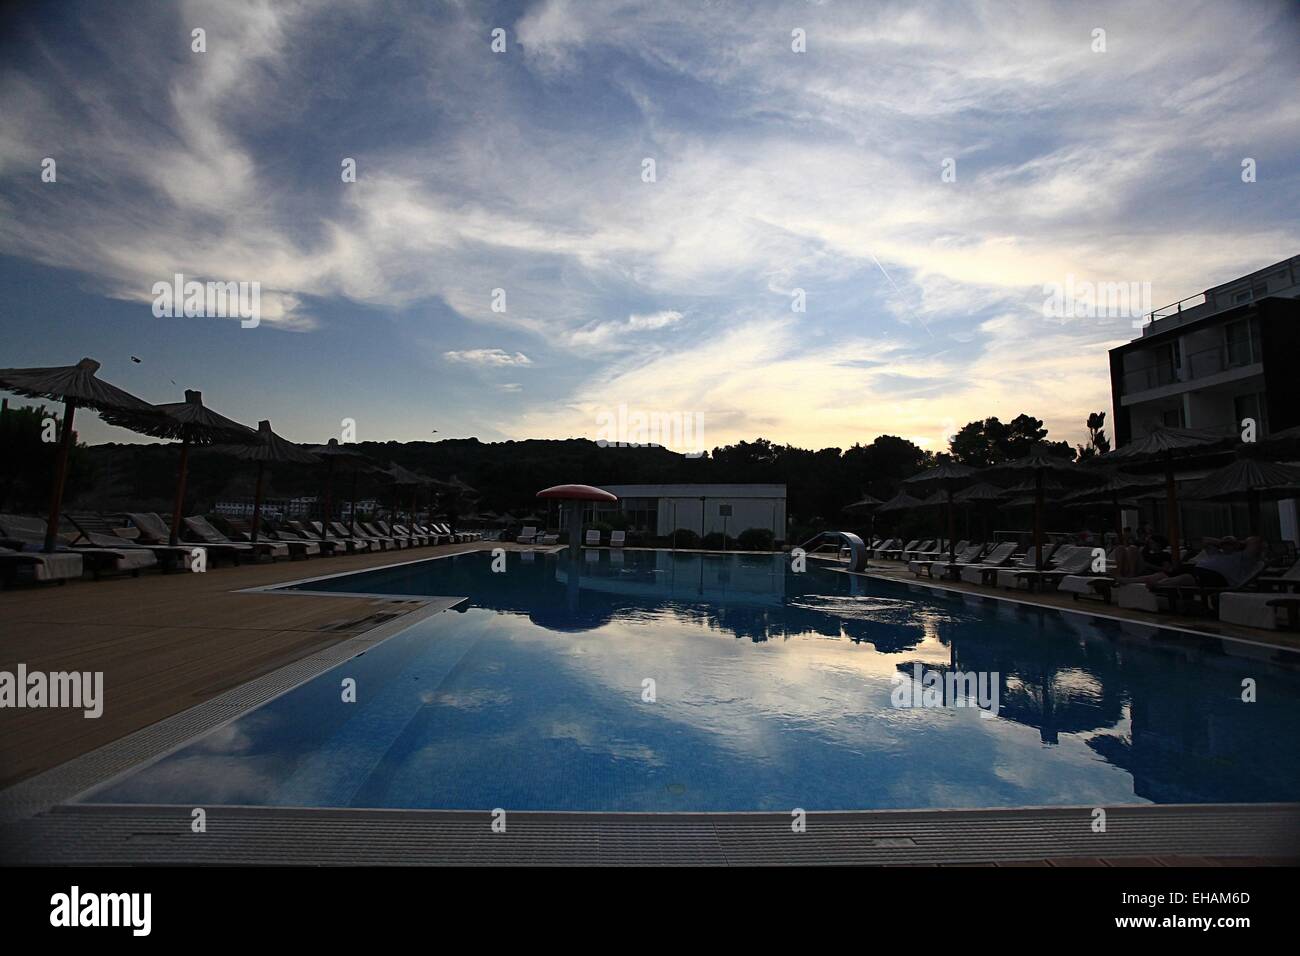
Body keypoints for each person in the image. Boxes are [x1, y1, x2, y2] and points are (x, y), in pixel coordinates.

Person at [1126, 536, 1264, 591]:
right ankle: (1128, 580)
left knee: (1186, 578)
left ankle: (1158, 586)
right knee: (1163, 574)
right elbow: (1205, 541)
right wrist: (1221, 543)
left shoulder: (1244, 557)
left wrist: (1238, 544)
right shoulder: (1218, 553)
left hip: (1219, 578)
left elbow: (1256, 540)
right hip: (1197, 569)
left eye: (1229, 544)